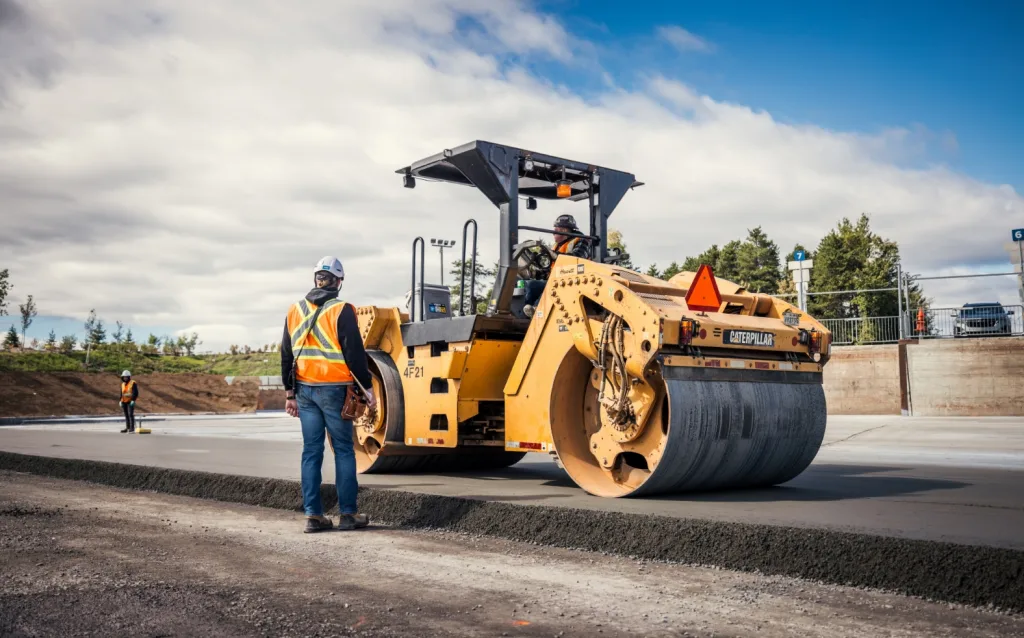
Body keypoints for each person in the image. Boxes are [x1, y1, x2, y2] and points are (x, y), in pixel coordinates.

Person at [281, 256, 377, 533]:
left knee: (311, 452)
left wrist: (290, 394)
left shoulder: (294, 310)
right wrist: (367, 388)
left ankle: (313, 516)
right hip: (335, 390)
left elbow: (286, 354)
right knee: (344, 450)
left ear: (316, 279)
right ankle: (348, 514)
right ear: (339, 281)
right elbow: (354, 353)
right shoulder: (342, 309)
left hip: (304, 392)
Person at [522, 214, 593, 316]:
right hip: (555, 279)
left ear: (564, 230)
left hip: (572, 281)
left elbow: (578, 258)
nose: (553, 232)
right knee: (531, 285)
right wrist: (538, 269)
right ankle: (527, 313)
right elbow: (550, 267)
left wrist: (555, 255)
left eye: (556, 229)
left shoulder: (582, 240)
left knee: (551, 286)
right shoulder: (556, 246)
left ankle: (538, 310)